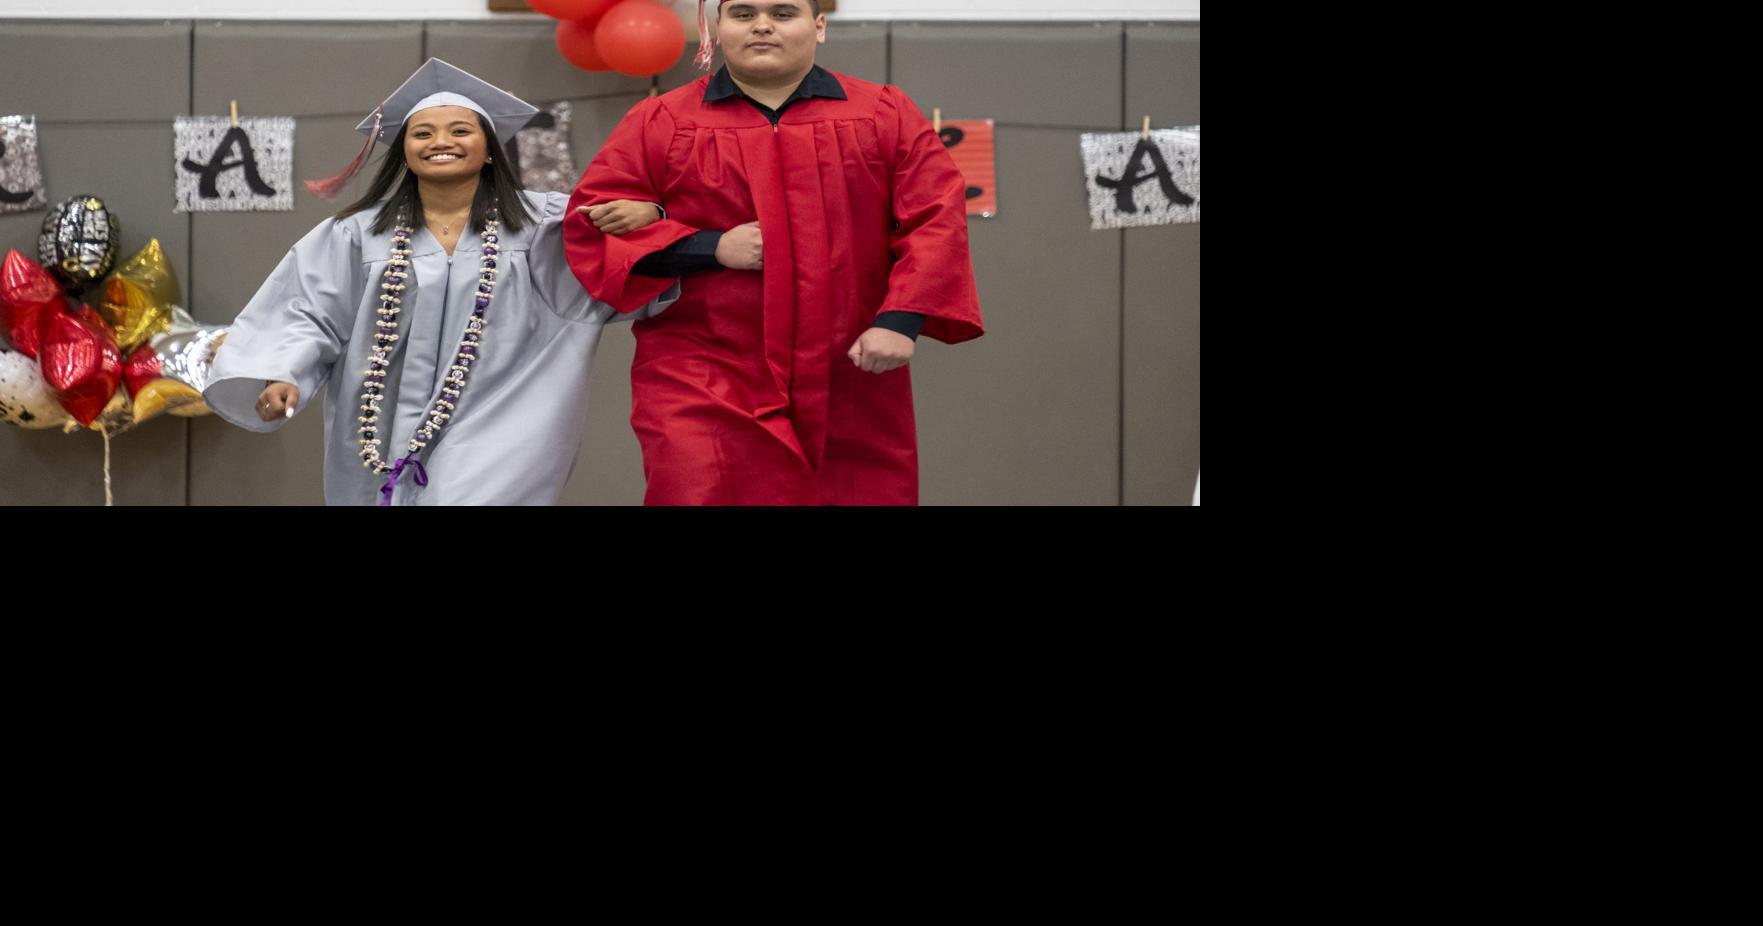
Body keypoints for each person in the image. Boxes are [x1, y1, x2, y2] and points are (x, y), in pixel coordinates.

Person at [565, 0, 984, 506]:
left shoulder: (881, 112)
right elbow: (591, 225)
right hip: (704, 369)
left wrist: (900, 320)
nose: (762, 24)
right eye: (742, 13)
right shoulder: (660, 120)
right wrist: (710, 247)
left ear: (819, 27)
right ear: (718, 29)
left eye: (783, 12)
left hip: (848, 367)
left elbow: (935, 217)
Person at [204, 58, 674, 505]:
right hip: (381, 425)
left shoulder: (547, 225)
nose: (439, 141)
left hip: (505, 420)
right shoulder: (357, 236)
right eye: (422, 132)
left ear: (490, 149)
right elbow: (307, 312)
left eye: (460, 130)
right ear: (404, 153)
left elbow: (619, 264)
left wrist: (651, 215)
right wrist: (286, 374)